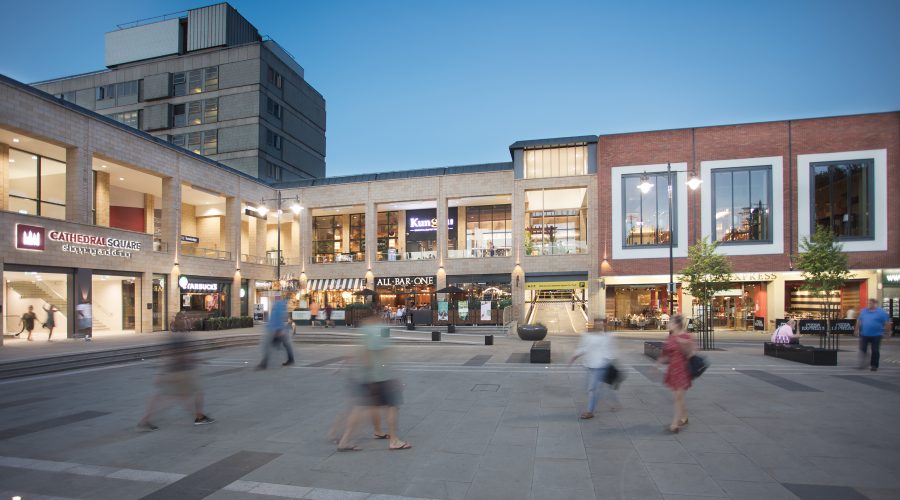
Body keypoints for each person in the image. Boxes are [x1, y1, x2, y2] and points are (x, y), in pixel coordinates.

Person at [336, 317, 411, 451]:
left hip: (367, 376)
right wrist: (386, 371)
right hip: (381, 376)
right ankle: (394, 440)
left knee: (359, 408)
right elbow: (383, 352)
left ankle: (345, 440)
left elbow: (363, 350)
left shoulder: (365, 330)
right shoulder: (382, 329)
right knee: (393, 406)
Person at [137, 334, 215, 431]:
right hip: (179, 374)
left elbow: (166, 356)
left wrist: (160, 374)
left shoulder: (176, 340)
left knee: (175, 397)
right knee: (187, 394)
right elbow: (173, 356)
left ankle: (199, 416)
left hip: (175, 374)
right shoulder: (179, 340)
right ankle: (199, 417)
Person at [569, 319, 618, 419]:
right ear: (593, 325)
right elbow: (583, 348)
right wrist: (574, 357)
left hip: (601, 366)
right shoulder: (587, 336)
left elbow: (610, 351)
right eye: (597, 324)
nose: (599, 326)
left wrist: (610, 360)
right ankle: (614, 402)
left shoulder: (607, 337)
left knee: (593, 389)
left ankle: (590, 411)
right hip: (589, 365)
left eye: (601, 324)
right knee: (591, 388)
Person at [655, 314, 694, 433]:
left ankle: (674, 424)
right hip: (673, 370)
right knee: (679, 397)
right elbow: (665, 354)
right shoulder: (670, 338)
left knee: (677, 397)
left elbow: (691, 354)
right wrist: (657, 364)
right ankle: (685, 417)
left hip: (683, 370)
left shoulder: (686, 336)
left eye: (670, 322)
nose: (668, 324)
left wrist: (683, 343)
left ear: (676, 324)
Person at [257, 297, 295, 369]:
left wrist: (279, 329)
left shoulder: (278, 305)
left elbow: (278, 317)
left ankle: (264, 363)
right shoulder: (281, 305)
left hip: (275, 329)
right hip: (277, 328)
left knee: (267, 345)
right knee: (286, 344)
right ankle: (290, 359)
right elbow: (279, 317)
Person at [855, 298, 892, 371]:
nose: (869, 305)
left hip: (876, 335)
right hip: (864, 334)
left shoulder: (881, 312)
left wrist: (888, 332)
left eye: (870, 303)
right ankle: (865, 362)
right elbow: (859, 321)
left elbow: (887, 323)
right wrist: (856, 330)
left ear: (875, 304)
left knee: (875, 350)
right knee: (863, 349)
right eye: (868, 303)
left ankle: (874, 365)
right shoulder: (863, 311)